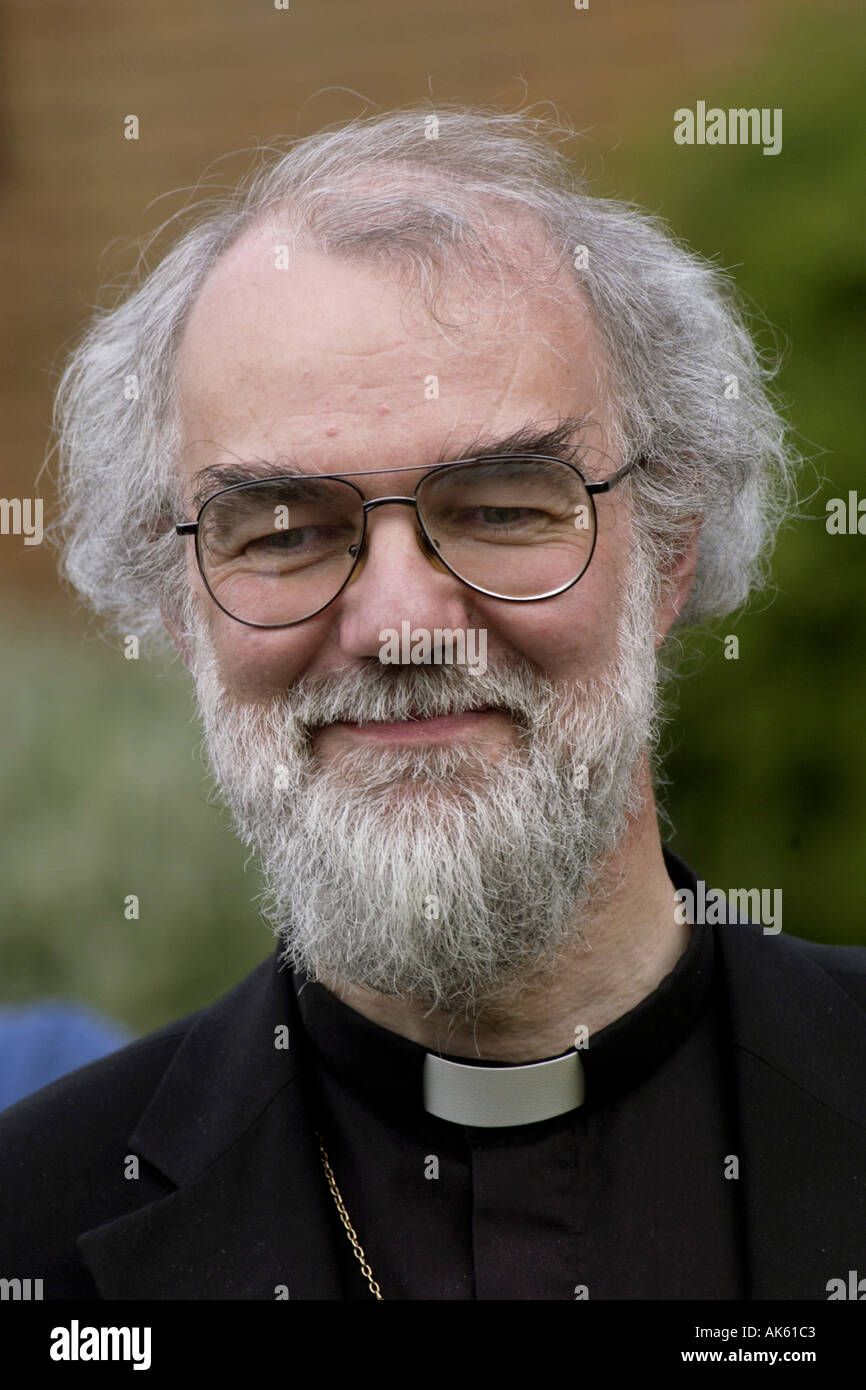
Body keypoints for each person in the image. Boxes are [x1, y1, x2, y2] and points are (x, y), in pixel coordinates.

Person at [1, 105, 863, 1302]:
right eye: (286, 530)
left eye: (503, 506)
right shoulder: (30, 1232)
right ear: (175, 598)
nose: (398, 622)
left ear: (667, 553)